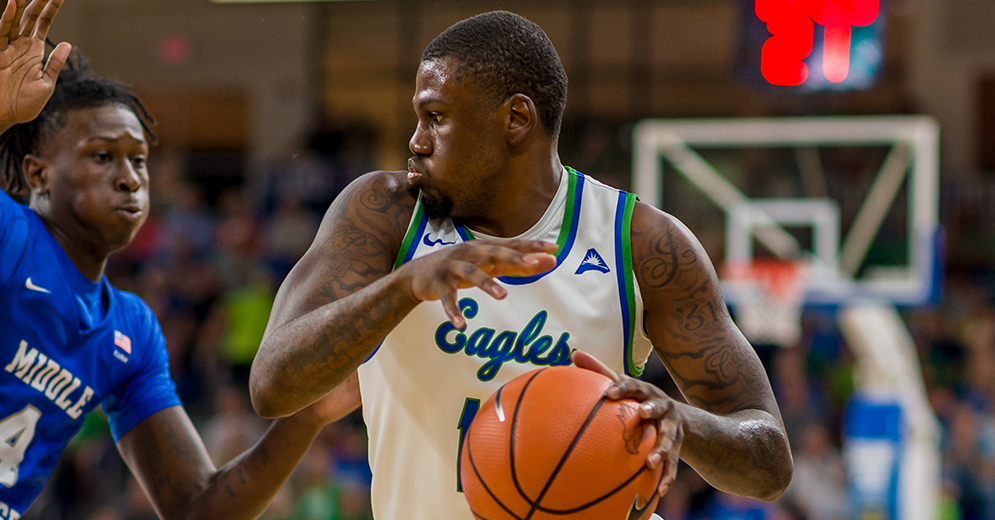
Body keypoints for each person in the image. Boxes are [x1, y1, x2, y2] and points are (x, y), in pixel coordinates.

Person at [250, 10, 793, 520]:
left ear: (515, 119)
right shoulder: (385, 214)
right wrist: (402, 288)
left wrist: (681, 421)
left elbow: (769, 461)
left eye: (435, 117)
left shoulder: (642, 243)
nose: (415, 141)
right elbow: (272, 385)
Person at [0, 1, 356, 518]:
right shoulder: (11, 234)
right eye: (103, 156)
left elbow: (194, 507)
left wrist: (309, 416)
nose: (130, 177)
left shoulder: (131, 328)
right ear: (38, 175)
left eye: (139, 159)